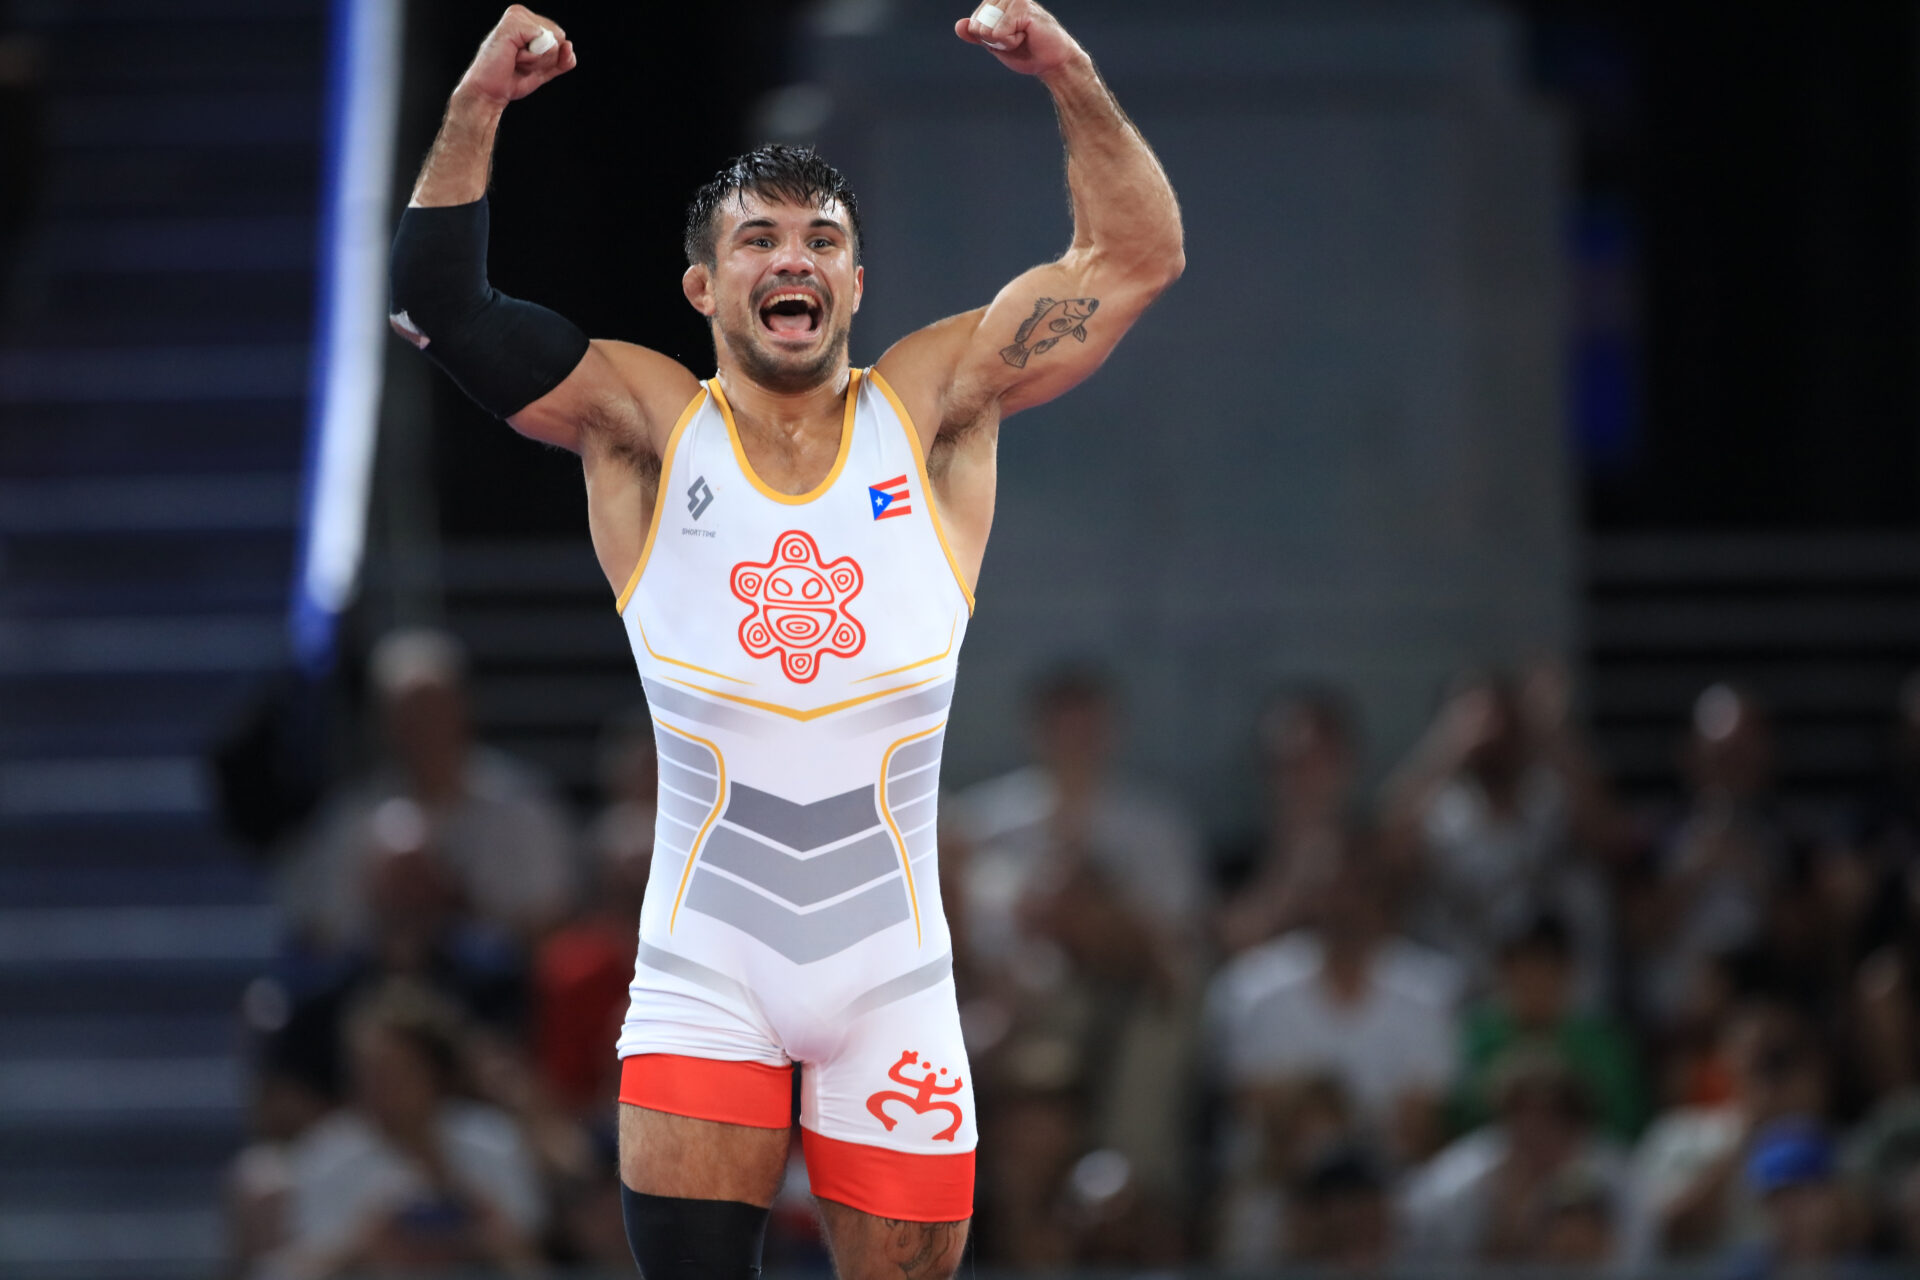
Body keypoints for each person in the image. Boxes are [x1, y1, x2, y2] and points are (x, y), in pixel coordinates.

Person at [387, 3, 1184, 1274]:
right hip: (711, 969)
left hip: (896, 984)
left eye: (822, 239)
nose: (791, 257)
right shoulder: (641, 421)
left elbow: (1135, 255)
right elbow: (440, 300)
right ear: (704, 285)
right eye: (757, 239)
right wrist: (479, 99)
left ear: (856, 283)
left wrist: (1068, 71)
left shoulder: (937, 405)